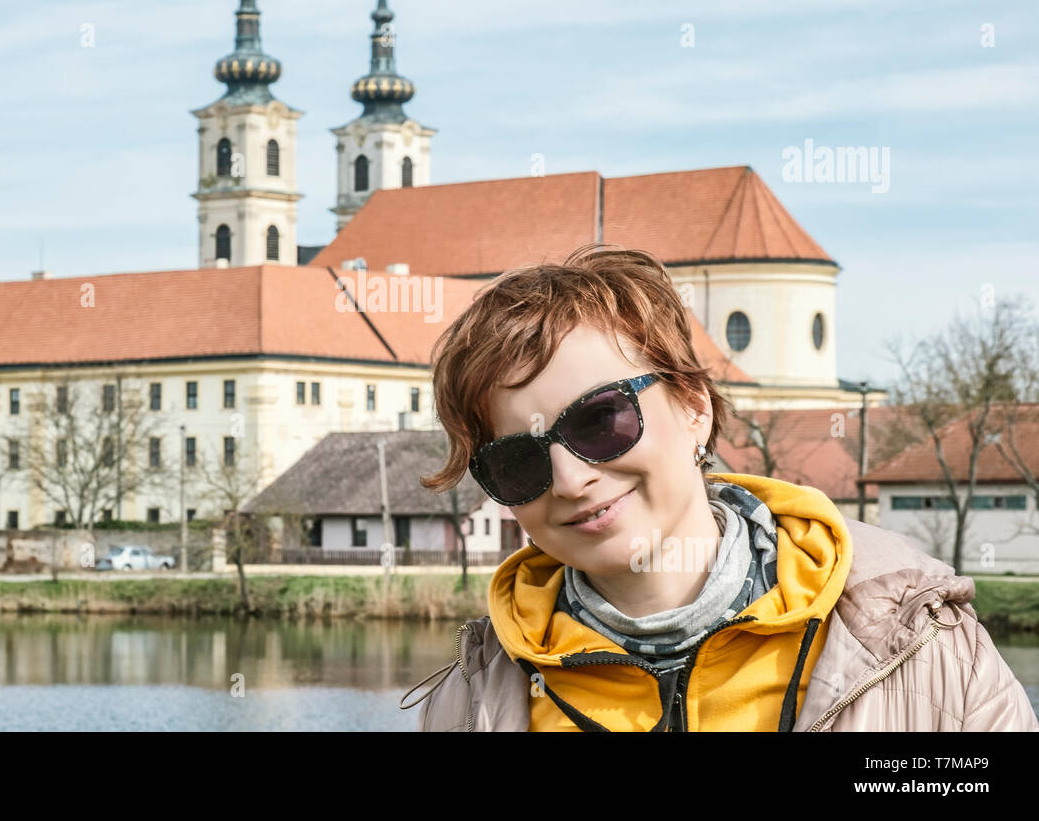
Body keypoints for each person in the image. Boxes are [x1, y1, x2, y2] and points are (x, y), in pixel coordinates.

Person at [400, 244, 1038, 732]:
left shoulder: (921, 644)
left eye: (601, 421)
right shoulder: (470, 702)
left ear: (694, 408)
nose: (570, 479)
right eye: (517, 462)